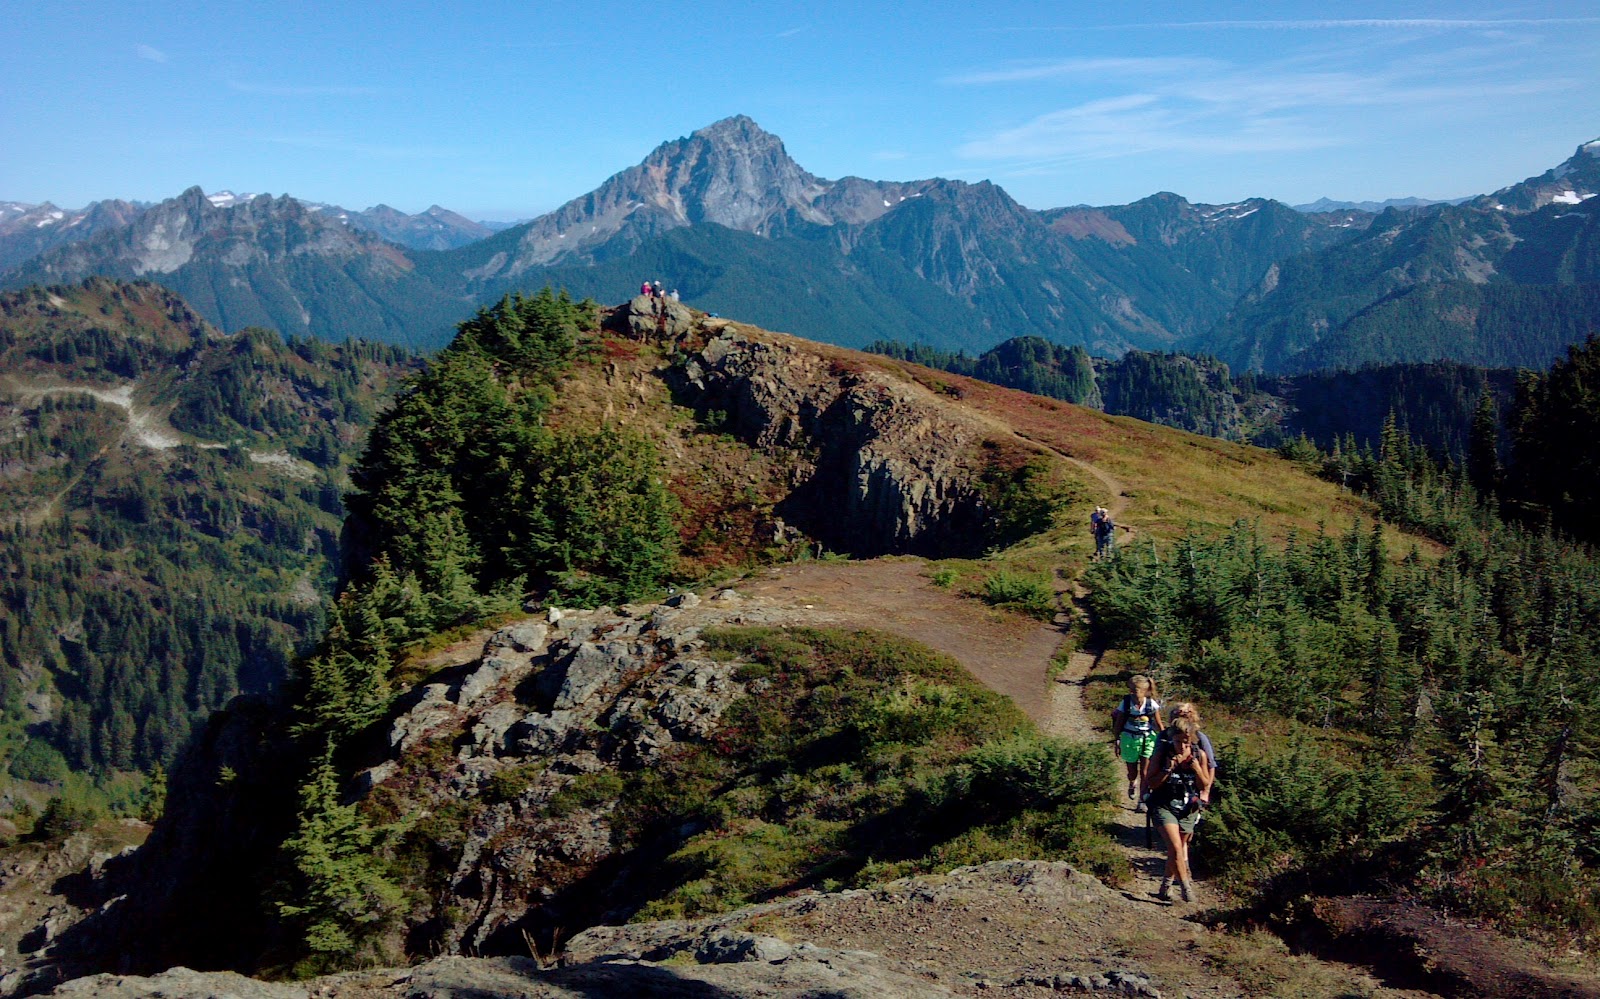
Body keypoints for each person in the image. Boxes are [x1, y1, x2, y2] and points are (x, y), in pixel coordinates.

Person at [1144, 716, 1213, 903]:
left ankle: (1165, 887)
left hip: (1188, 808)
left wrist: (1197, 769)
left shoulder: (1199, 755)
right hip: (1163, 805)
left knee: (1177, 850)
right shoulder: (1162, 753)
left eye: (1186, 742)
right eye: (1178, 741)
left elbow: (1205, 783)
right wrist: (1168, 769)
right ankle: (1185, 887)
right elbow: (1151, 782)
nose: (1182, 746)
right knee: (1175, 847)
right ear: (1171, 739)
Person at [1110, 675, 1163, 809]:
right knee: (1132, 771)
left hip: (1148, 739)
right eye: (1131, 689)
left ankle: (1142, 800)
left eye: (1136, 689)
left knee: (1145, 772)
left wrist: (1164, 739)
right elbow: (1119, 723)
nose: (1132, 692)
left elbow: (1158, 724)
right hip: (1129, 738)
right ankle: (1132, 782)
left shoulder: (1151, 704)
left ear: (1145, 690)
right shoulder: (1126, 703)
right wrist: (1117, 739)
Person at [1156, 702, 1216, 807]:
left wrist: (1206, 791)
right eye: (1176, 717)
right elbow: (1153, 759)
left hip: (1192, 781)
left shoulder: (1199, 737)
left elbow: (1210, 765)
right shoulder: (1163, 735)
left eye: (1184, 716)